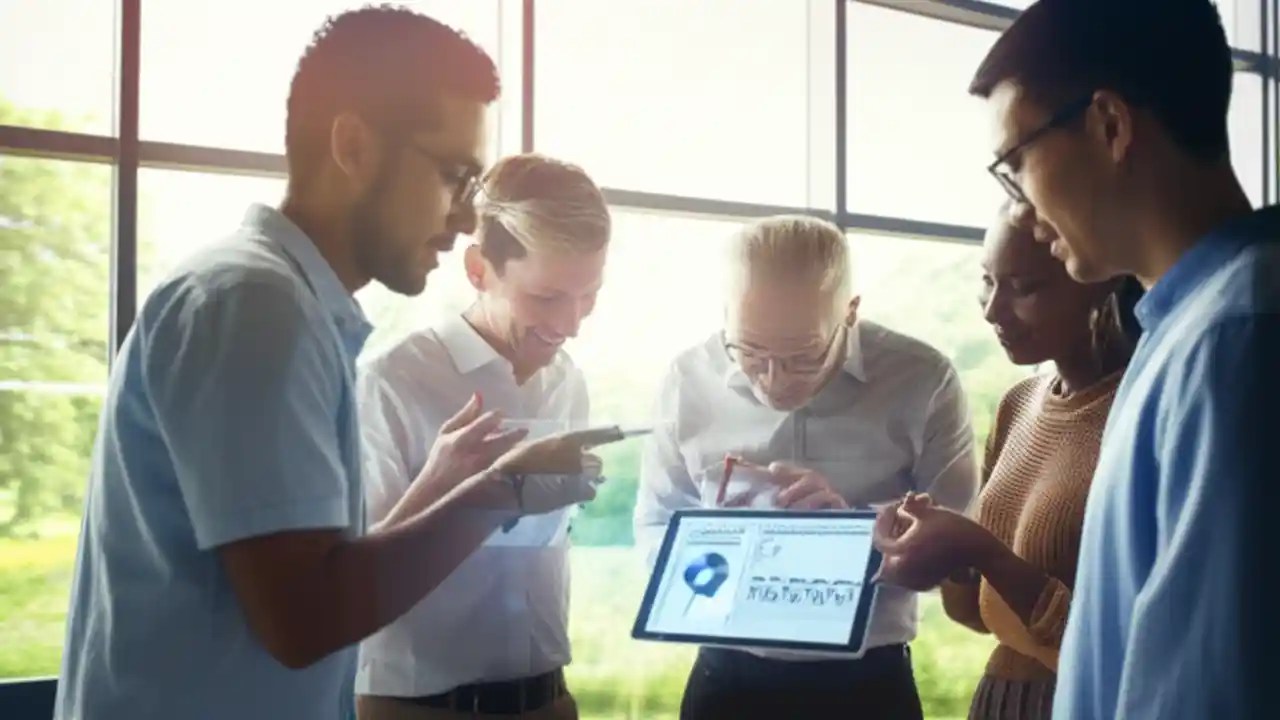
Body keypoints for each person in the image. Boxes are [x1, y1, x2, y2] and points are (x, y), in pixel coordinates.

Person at [53, 9, 602, 720]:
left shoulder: (283, 308)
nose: (468, 217)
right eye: (453, 176)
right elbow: (305, 618)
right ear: (354, 145)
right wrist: (502, 492)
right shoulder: (255, 306)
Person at [965, 0, 1280, 717]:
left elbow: (1210, 692)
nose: (1021, 206)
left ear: (1110, 125)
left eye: (1016, 164)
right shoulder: (1182, 325)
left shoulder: (1236, 338)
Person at [633, 215, 978, 720]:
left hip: (867, 685)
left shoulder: (923, 379)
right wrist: (715, 546)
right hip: (725, 678)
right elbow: (654, 527)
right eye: (749, 352)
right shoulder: (689, 379)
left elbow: (955, 541)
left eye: (803, 356)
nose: (773, 381)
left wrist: (848, 528)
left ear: (851, 312)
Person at [354, 152, 611, 720]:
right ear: (478, 270)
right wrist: (444, 484)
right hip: (418, 706)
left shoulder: (568, 381)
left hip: (548, 700)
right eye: (547, 297)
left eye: (587, 296)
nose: (570, 324)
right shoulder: (393, 379)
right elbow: (350, 583)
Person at [872, 208, 1141, 719]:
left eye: (1024, 287)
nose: (993, 310)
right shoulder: (1020, 403)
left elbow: (1127, 649)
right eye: (988, 281)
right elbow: (976, 613)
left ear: (1096, 282)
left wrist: (982, 549)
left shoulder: (1137, 412)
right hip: (1000, 698)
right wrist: (947, 552)